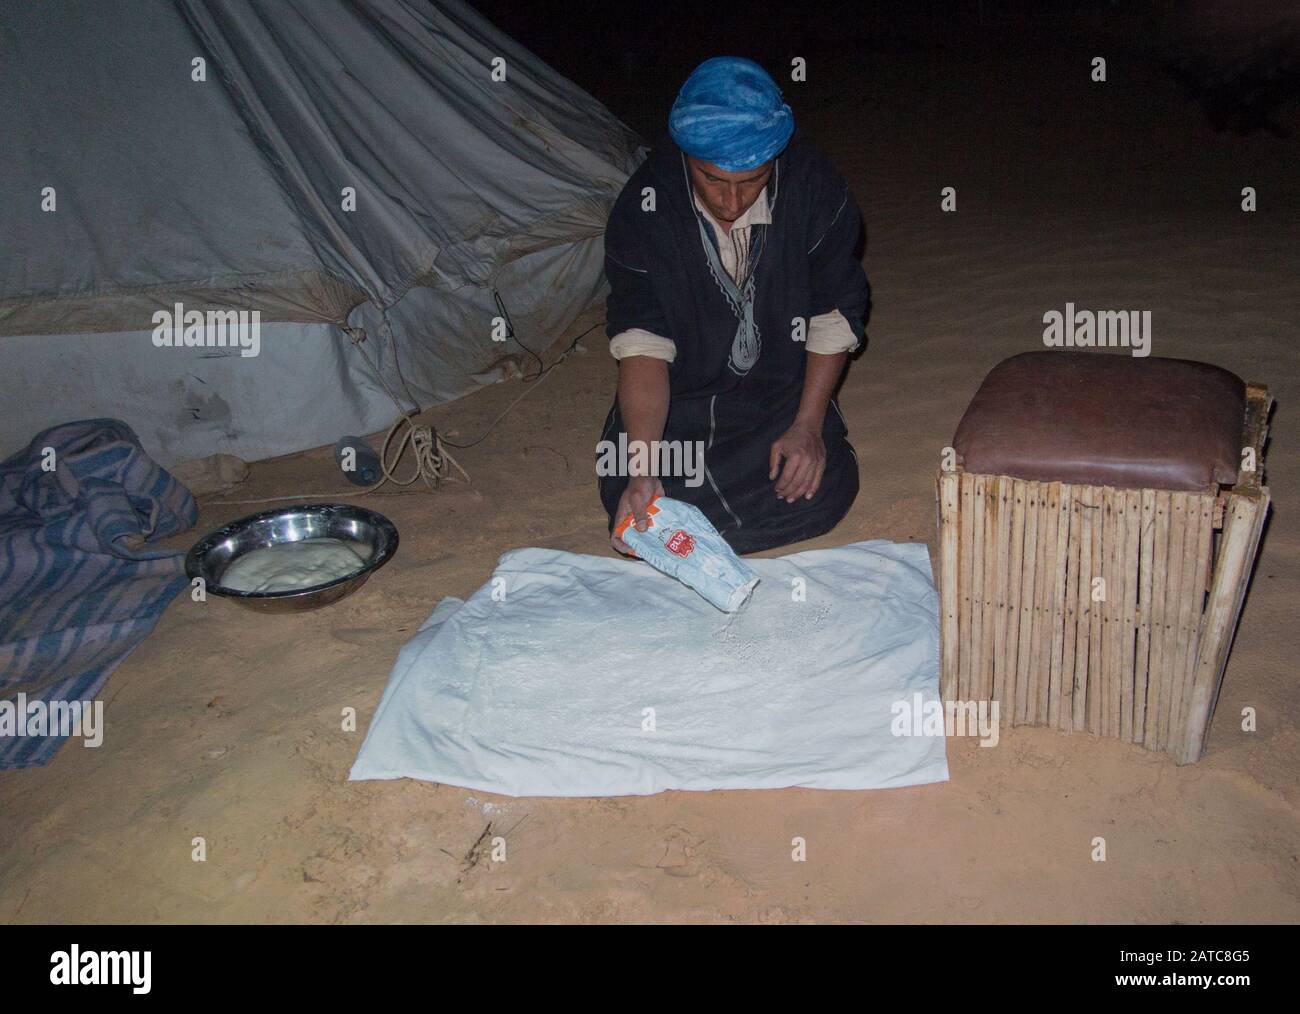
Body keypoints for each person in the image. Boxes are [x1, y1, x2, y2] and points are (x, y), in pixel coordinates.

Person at [599, 56, 870, 555]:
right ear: (686, 158)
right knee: (635, 490)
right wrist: (643, 471)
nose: (731, 202)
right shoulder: (645, 207)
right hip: (681, 396)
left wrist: (807, 426)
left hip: (778, 391)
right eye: (713, 180)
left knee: (816, 484)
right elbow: (643, 344)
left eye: (750, 181)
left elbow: (833, 312)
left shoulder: (813, 187)